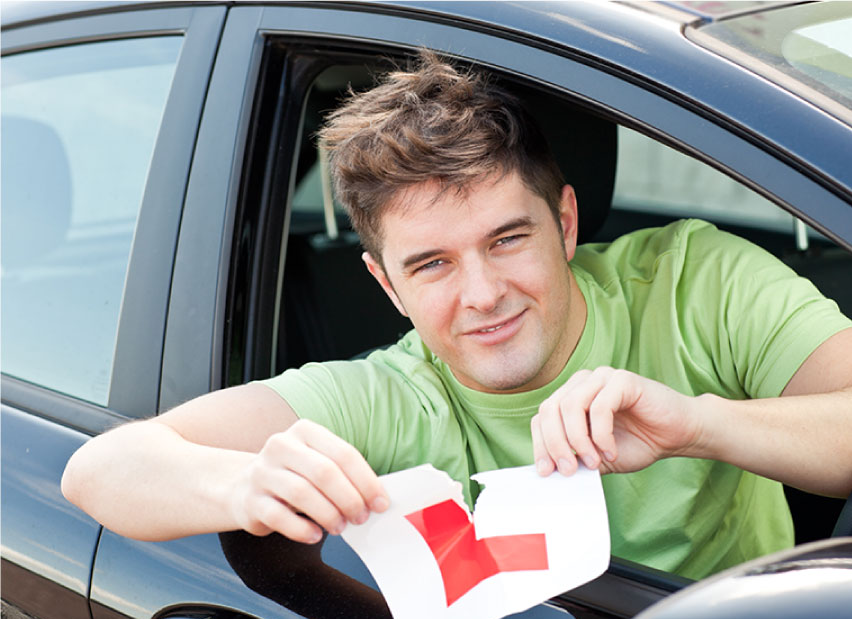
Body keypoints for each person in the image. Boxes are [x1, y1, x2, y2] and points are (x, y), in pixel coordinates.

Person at [62, 52, 852, 580]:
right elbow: (101, 469)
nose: (482, 294)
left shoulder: (695, 281)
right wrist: (248, 482)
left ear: (567, 224)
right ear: (386, 285)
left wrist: (698, 424)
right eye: (432, 264)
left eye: (507, 238)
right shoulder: (390, 394)